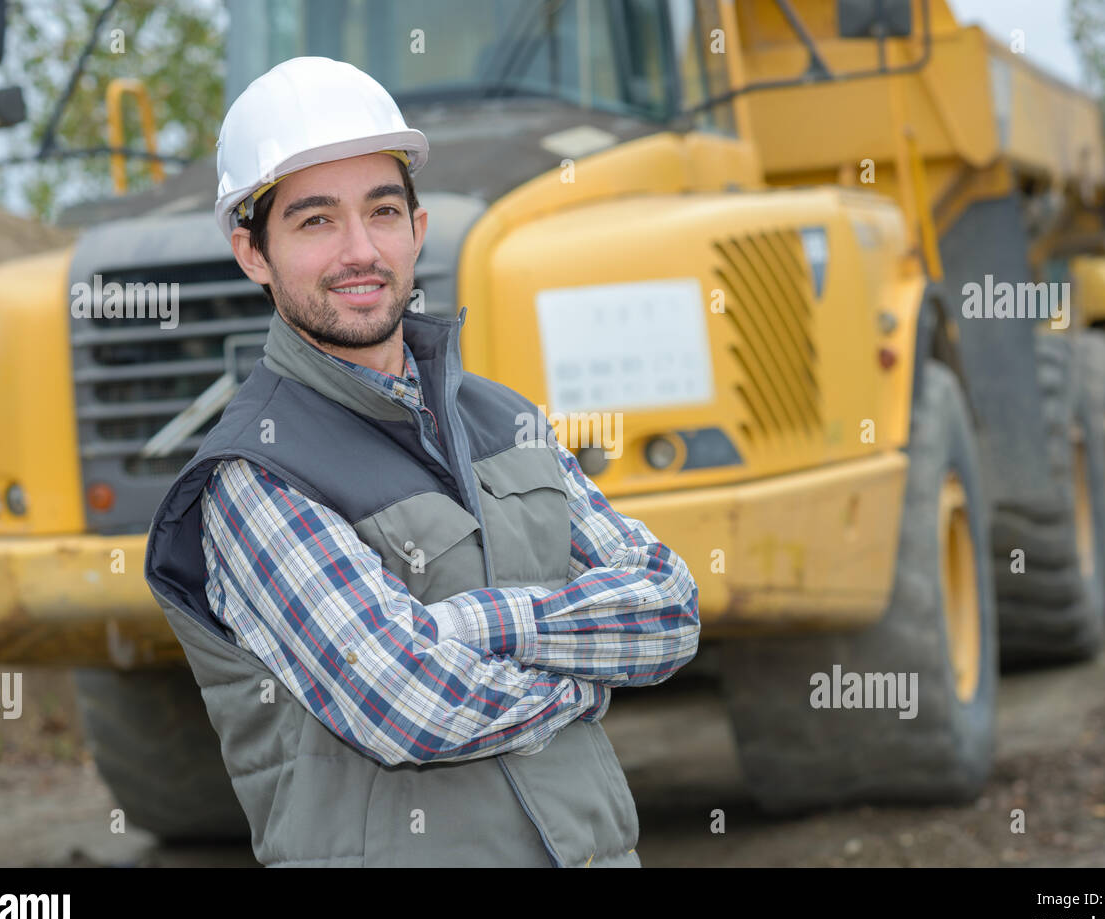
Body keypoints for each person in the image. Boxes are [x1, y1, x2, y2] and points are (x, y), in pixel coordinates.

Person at [144, 56, 700, 867]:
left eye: (383, 210)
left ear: (419, 229)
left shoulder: (503, 419)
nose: (360, 251)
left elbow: (668, 607)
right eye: (315, 221)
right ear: (252, 252)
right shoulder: (256, 472)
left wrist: (477, 625)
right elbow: (409, 705)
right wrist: (587, 682)